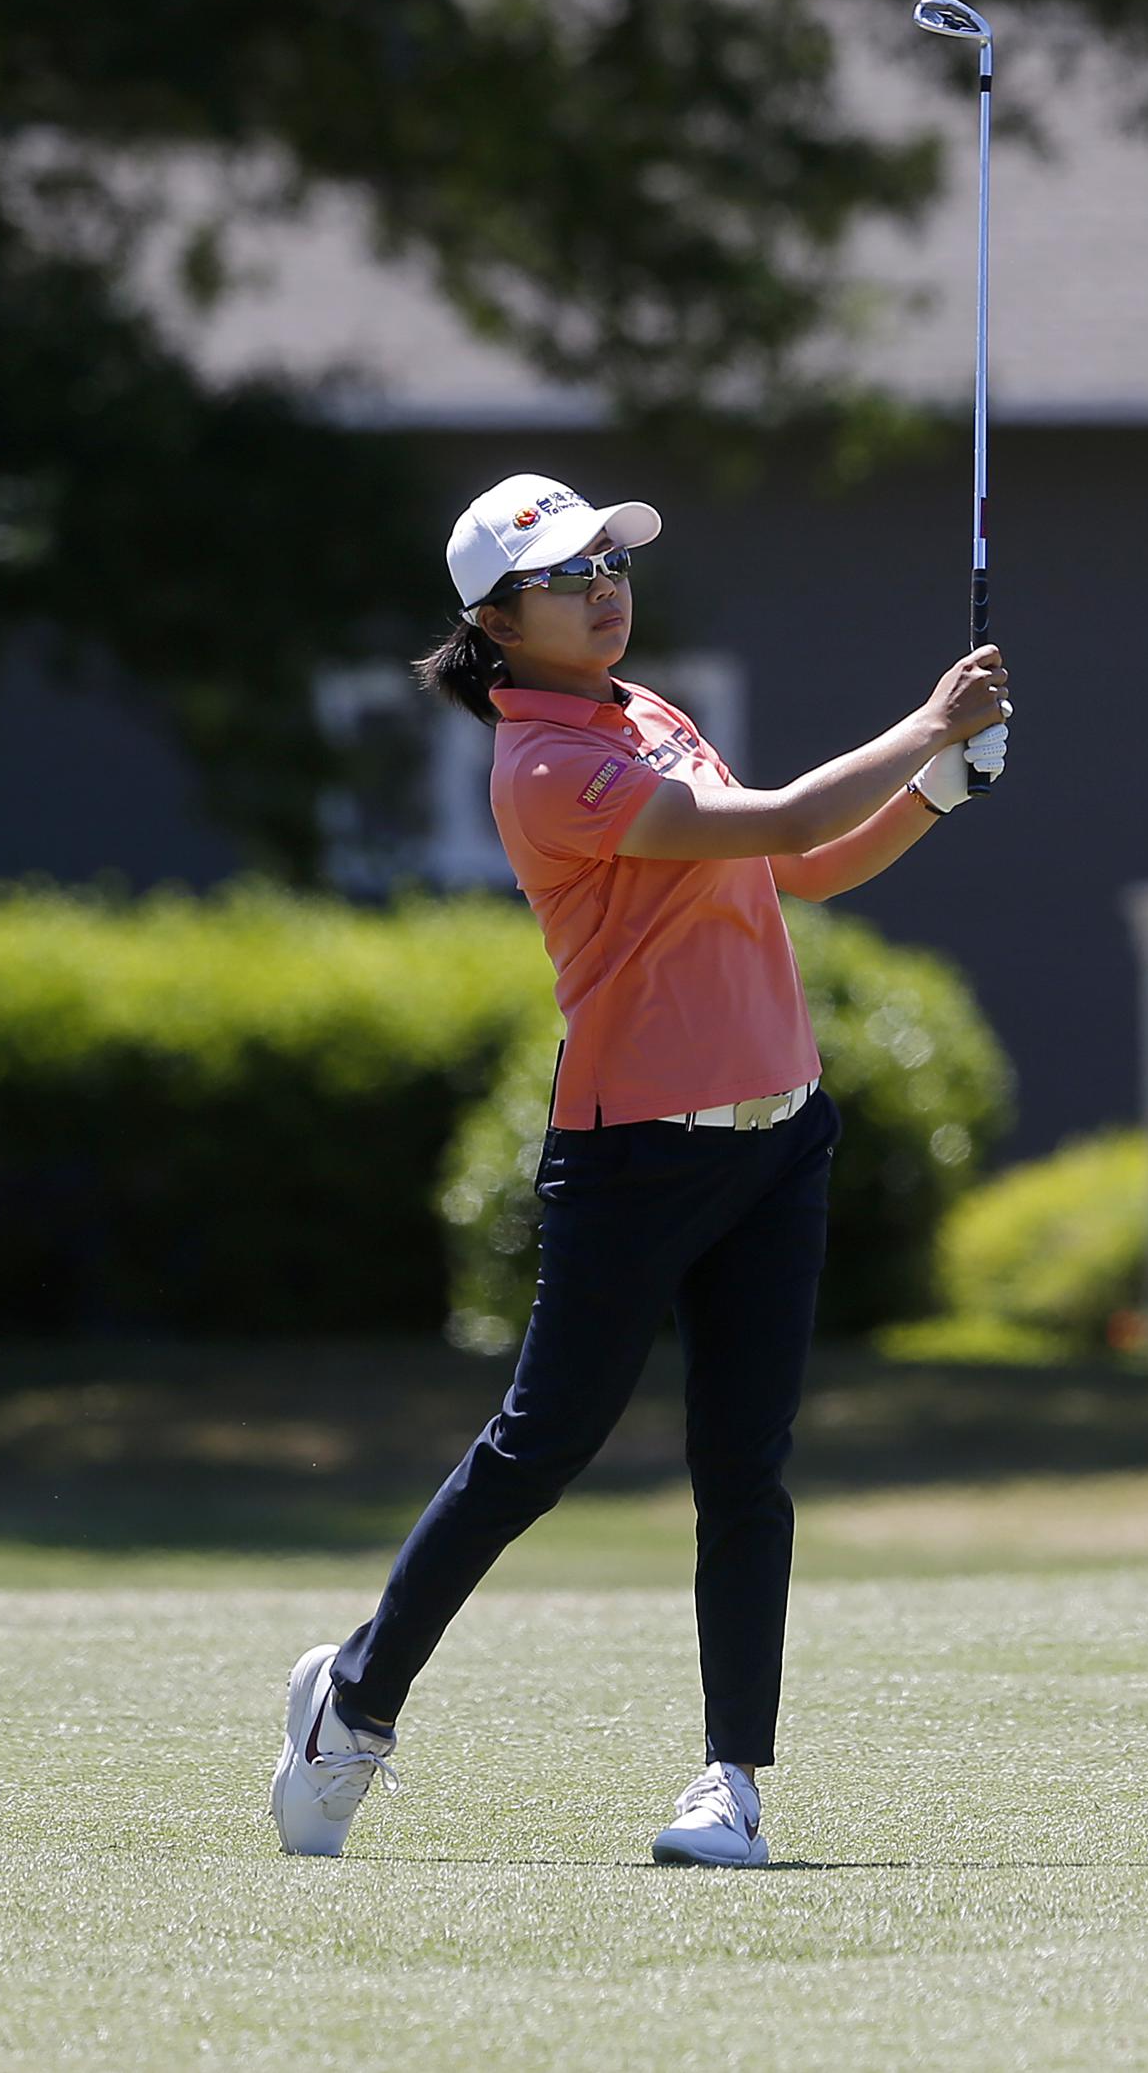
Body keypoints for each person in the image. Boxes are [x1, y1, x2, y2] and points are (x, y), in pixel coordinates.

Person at [269, 471, 1012, 1867]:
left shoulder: (644, 714)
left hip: (780, 1137)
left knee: (748, 1463)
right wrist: (927, 719)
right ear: (493, 620)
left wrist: (936, 785)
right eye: (570, 576)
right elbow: (784, 818)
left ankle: (730, 1779)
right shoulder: (545, 769)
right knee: (537, 1449)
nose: (606, 587)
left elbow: (803, 867)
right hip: (635, 1156)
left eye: (614, 564)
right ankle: (353, 1703)